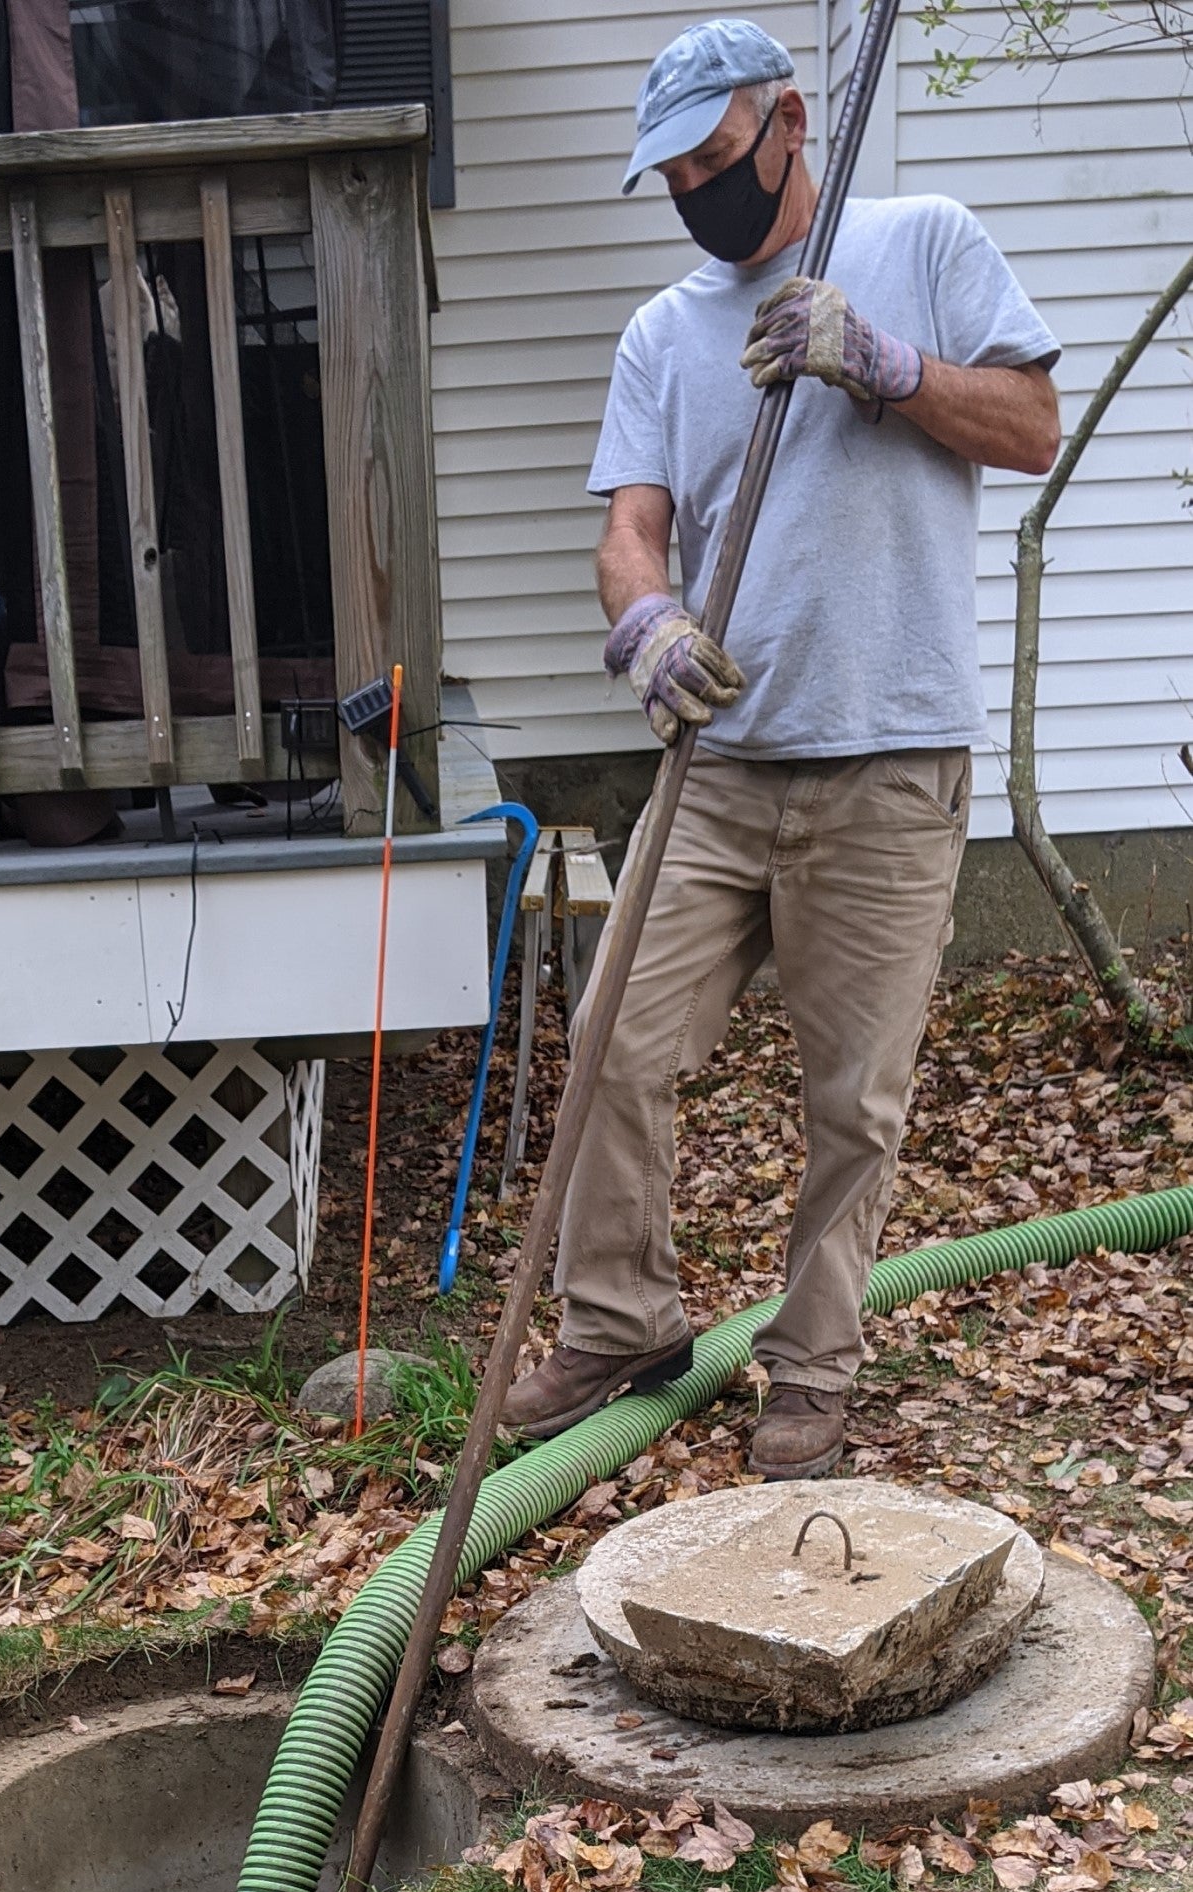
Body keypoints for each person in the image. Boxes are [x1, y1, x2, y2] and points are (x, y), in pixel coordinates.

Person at [500, 17, 1061, 1476]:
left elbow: (1031, 426)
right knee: (612, 1037)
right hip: (723, 763)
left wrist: (882, 362)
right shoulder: (662, 333)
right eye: (675, 177)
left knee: (851, 1100)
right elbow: (630, 531)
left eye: (715, 159)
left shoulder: (922, 241)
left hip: (889, 756)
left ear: (791, 123)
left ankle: (811, 1368)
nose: (698, 192)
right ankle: (622, 1319)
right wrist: (646, 621)